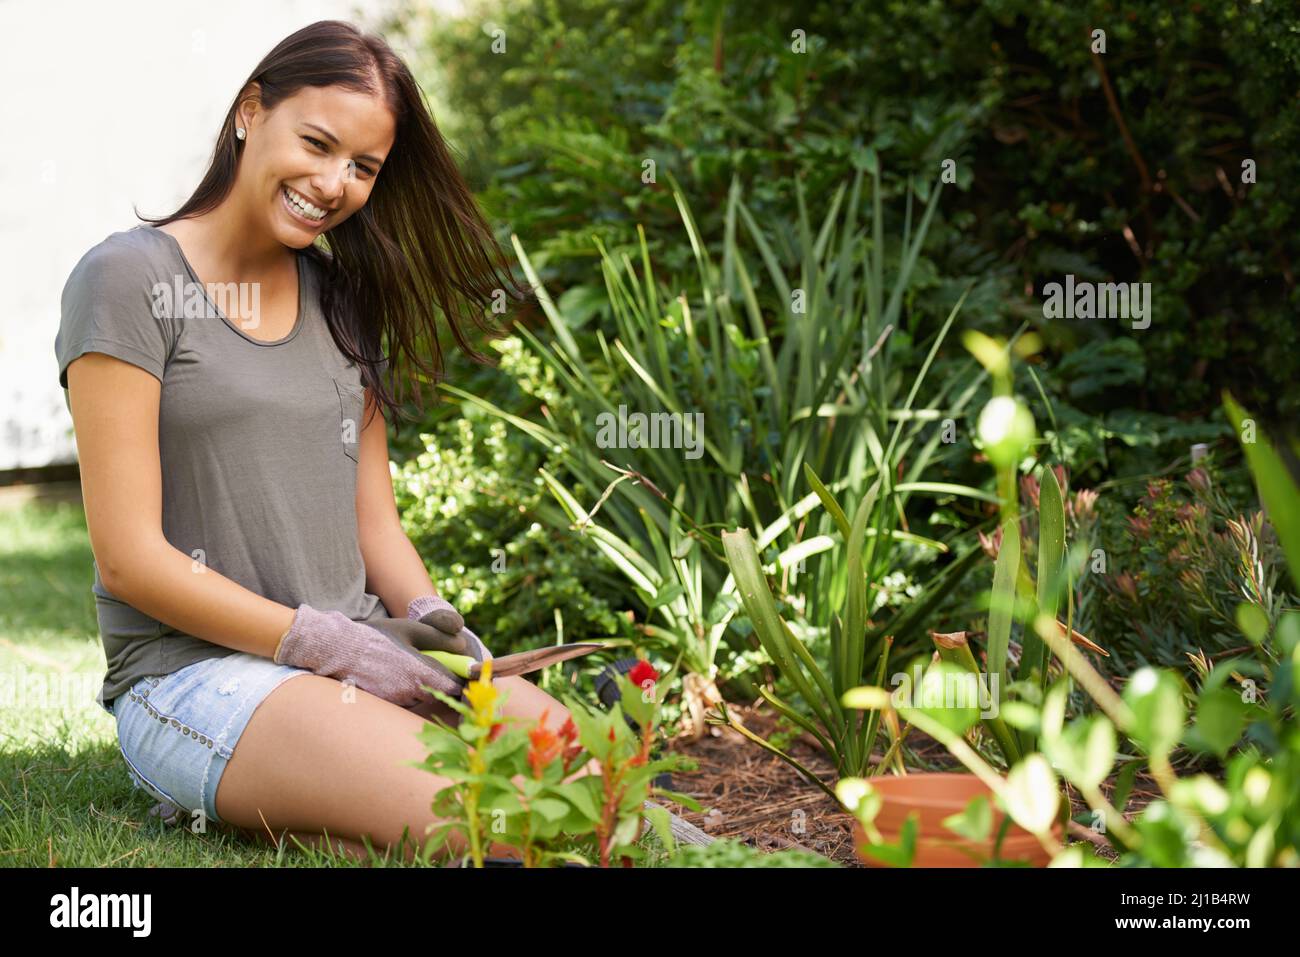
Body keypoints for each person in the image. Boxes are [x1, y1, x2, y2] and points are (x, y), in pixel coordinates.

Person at [55, 19, 594, 864]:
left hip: (365, 654)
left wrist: (436, 625)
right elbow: (130, 560)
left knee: (594, 781)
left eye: (363, 167)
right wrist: (321, 645)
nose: (333, 181)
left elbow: (372, 522)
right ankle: (291, 793)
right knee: (498, 824)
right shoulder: (130, 279)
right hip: (195, 676)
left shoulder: (344, 298)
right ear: (250, 112)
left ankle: (315, 815)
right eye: (317, 142)